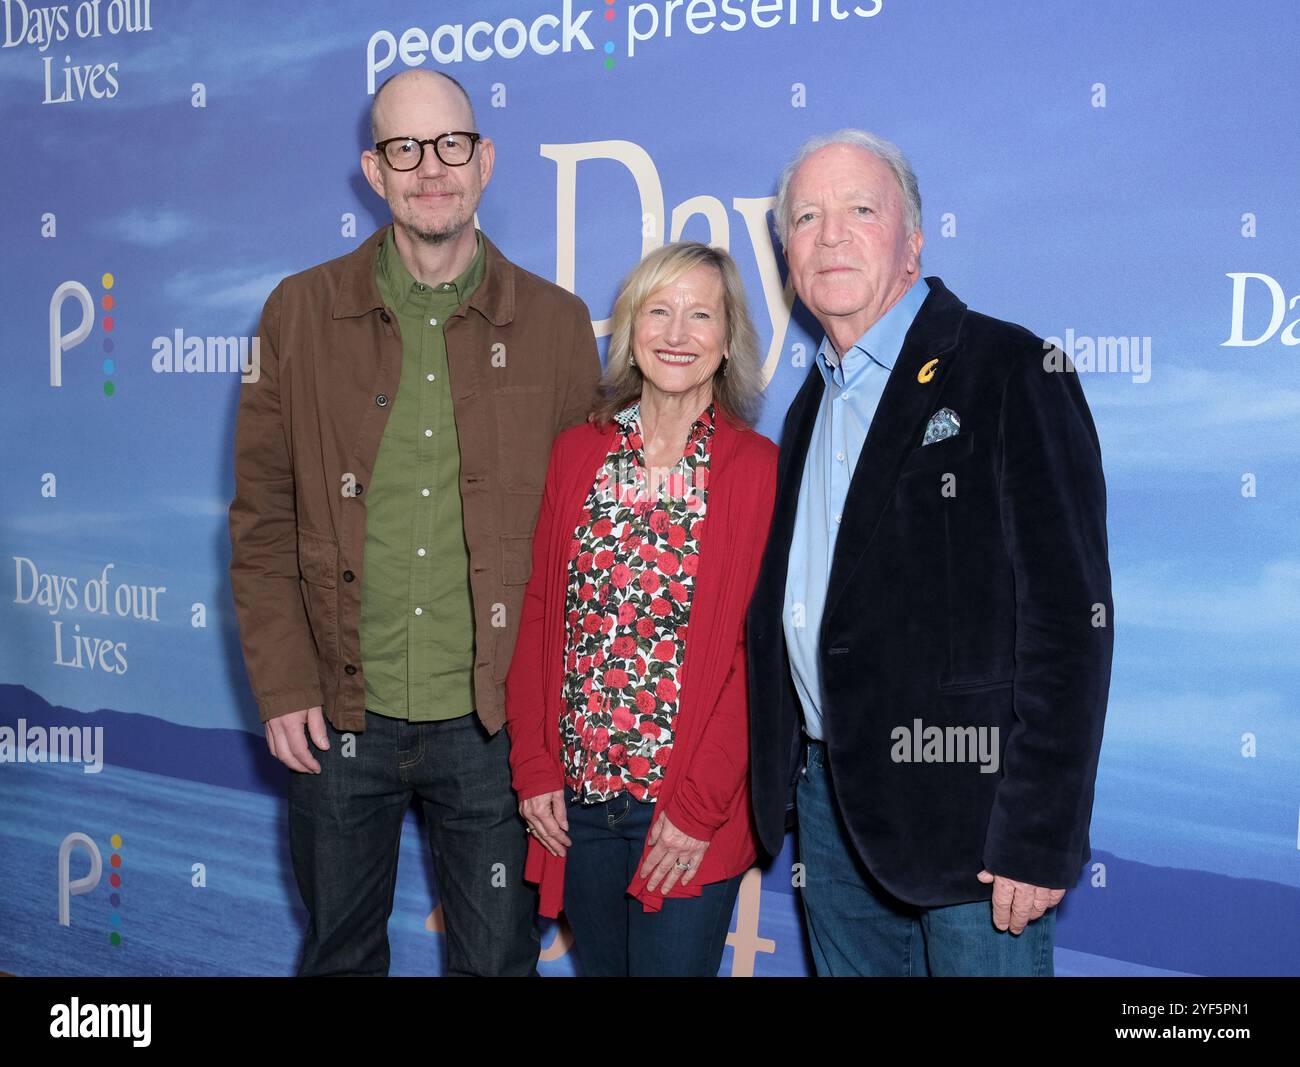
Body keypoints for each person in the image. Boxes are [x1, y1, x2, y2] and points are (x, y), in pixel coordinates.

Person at [227, 69, 601, 976]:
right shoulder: (298, 312)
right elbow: (262, 519)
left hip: (492, 728)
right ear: (373, 169)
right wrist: (281, 686)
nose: (430, 168)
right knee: (341, 956)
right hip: (339, 719)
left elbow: (576, 545)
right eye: (406, 149)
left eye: (450, 146)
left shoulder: (556, 325)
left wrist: (553, 726)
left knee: (496, 962)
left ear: (484, 162)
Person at [747, 129, 1114, 976]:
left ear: (912, 239)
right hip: (830, 813)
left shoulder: (1013, 367)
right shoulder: (808, 409)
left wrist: (1039, 830)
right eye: (807, 216)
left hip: (976, 831)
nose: (831, 233)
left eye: (860, 210)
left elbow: (1071, 621)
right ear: (787, 253)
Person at [505, 241, 777, 977]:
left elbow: (761, 659)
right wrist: (533, 766)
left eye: (700, 314)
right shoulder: (578, 454)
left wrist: (696, 807)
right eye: (659, 311)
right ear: (630, 328)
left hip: (685, 814)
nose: (677, 333)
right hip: (580, 806)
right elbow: (538, 615)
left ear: (727, 341)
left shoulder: (756, 470)